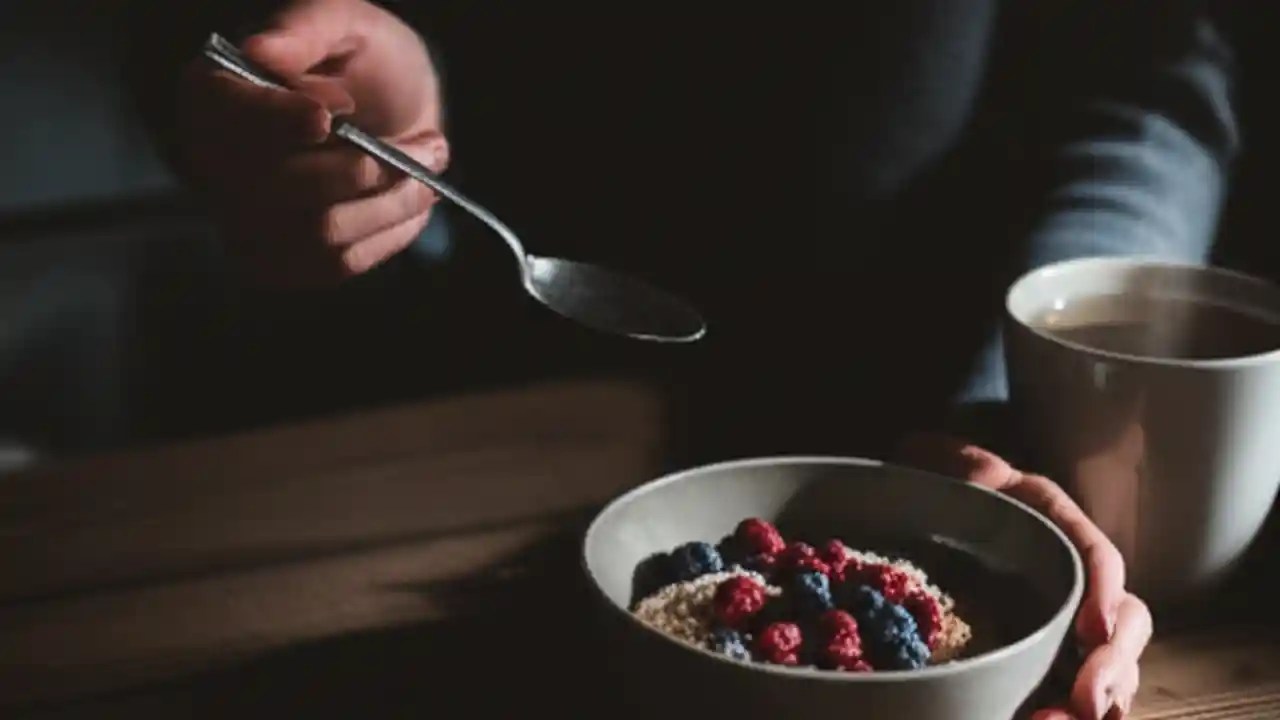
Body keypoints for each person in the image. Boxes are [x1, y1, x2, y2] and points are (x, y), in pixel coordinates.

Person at [119, 1, 1238, 717]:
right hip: (488, 416)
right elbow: (190, 41)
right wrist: (383, 123)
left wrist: (1029, 381)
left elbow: (1139, 66)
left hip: (928, 386)